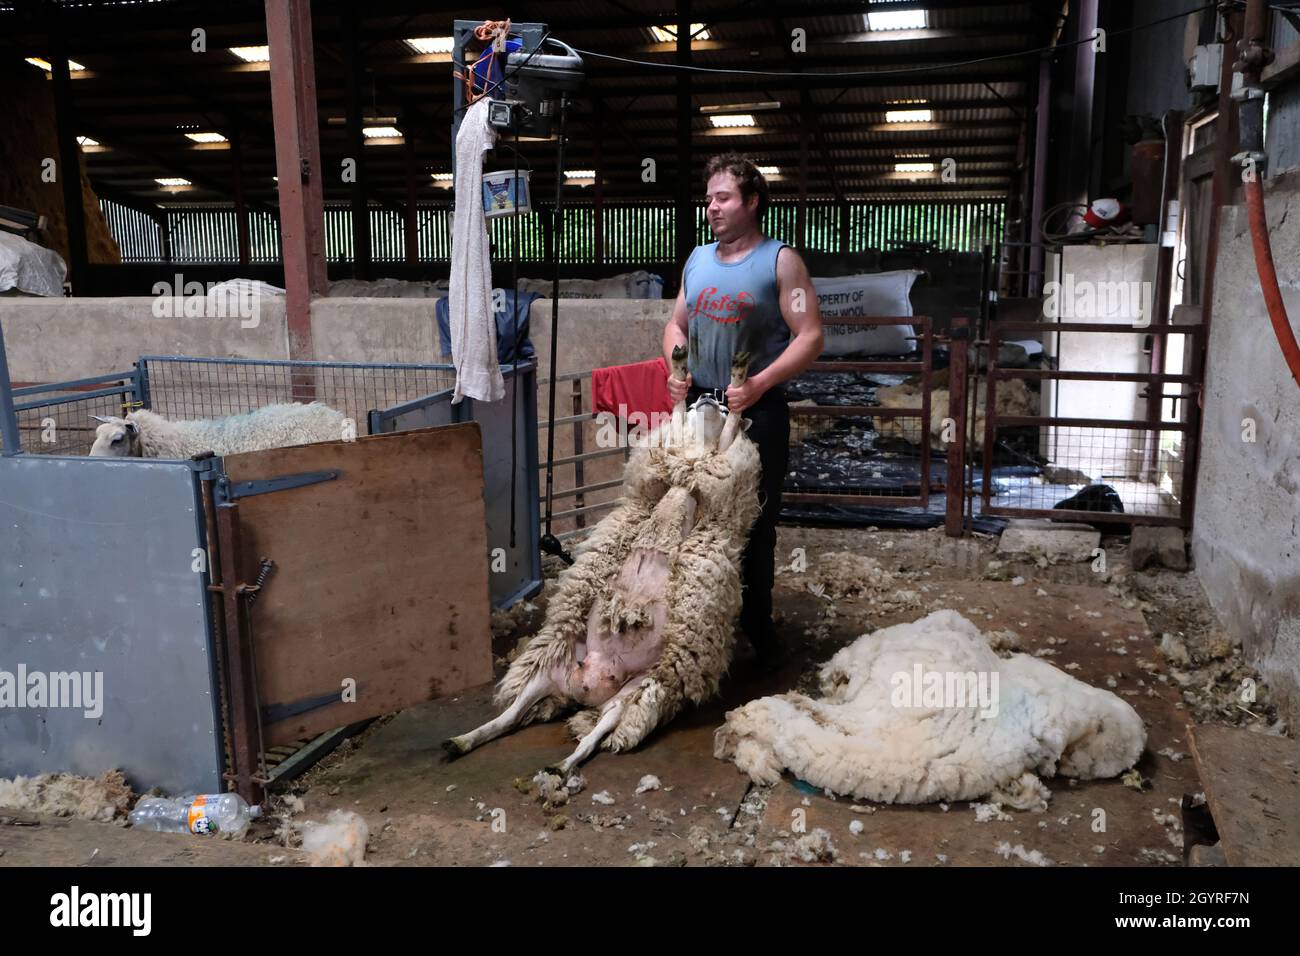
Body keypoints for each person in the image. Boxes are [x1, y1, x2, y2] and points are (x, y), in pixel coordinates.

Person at [661, 152, 824, 663]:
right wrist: (675, 367)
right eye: (709, 198)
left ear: (752, 202)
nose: (712, 207)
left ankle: (756, 625)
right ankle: (692, 621)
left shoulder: (780, 261)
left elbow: (811, 336)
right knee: (688, 513)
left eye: (724, 197)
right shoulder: (697, 259)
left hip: (757, 411)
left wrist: (759, 383)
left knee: (754, 521)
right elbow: (676, 327)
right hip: (700, 406)